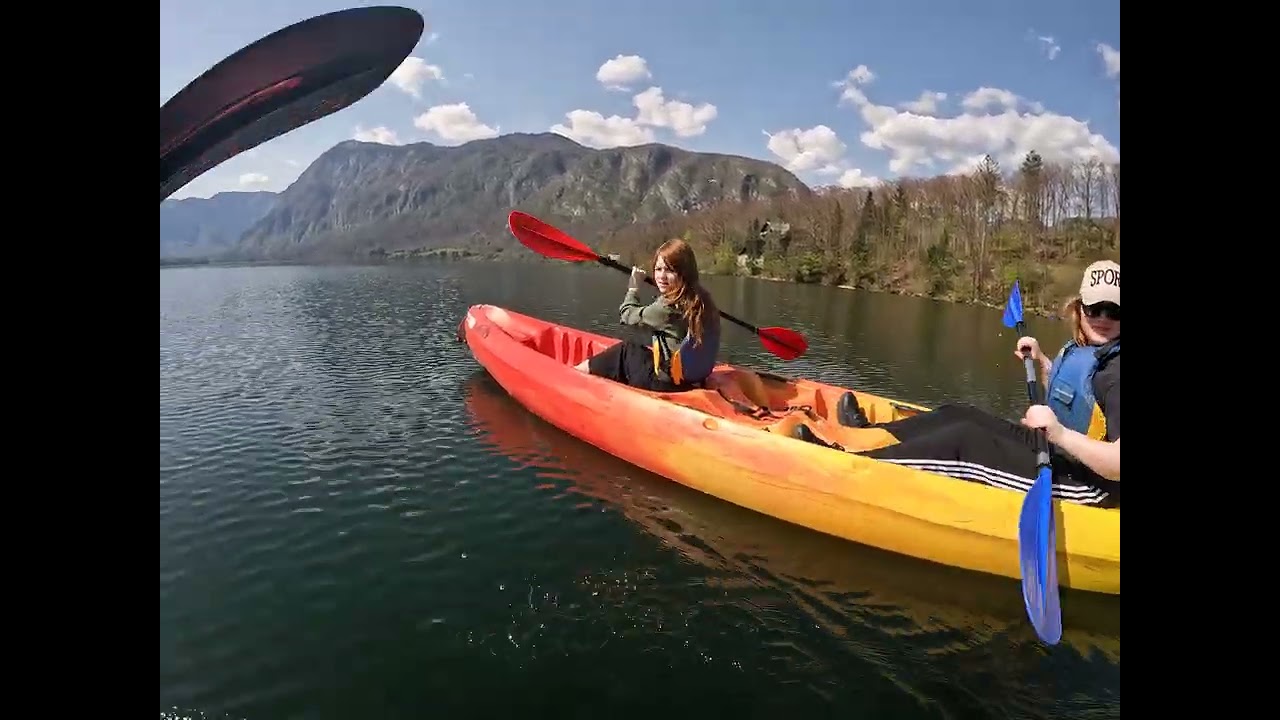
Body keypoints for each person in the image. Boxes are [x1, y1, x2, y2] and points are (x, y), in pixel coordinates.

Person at [792, 259, 1120, 508]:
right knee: (959, 415)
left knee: (965, 441)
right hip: (1057, 451)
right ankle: (869, 433)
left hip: (1092, 487)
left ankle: (846, 467)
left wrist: (1059, 433)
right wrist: (1043, 364)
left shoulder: (1116, 372)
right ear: (1079, 307)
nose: (1104, 318)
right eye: (1096, 307)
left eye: (1114, 310)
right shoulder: (1088, 350)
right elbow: (1078, 401)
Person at [573, 238, 722, 392]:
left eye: (670, 270)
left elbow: (628, 315)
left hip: (666, 385)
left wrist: (633, 288)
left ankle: (573, 374)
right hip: (692, 380)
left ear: (684, 273)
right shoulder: (703, 300)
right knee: (640, 351)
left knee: (625, 350)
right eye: (658, 269)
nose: (662, 276)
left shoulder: (668, 307)